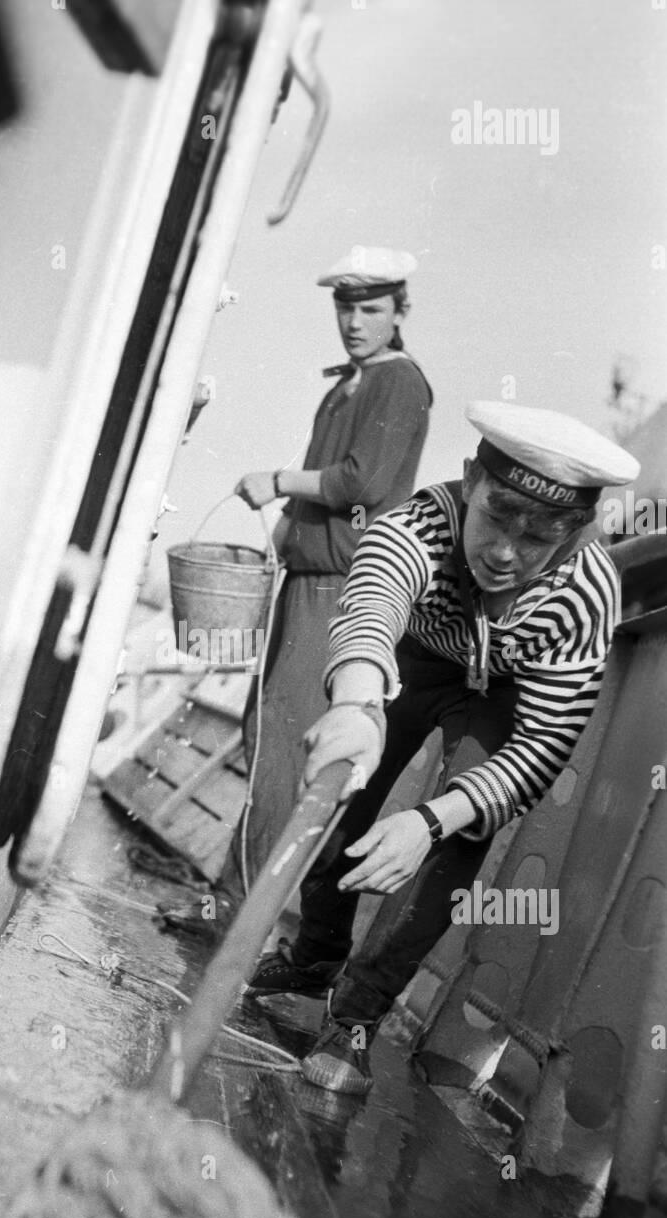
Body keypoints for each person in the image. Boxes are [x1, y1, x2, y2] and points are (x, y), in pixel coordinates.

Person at [245, 400, 640, 1095]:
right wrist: (357, 705)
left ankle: (359, 1014)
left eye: (538, 535)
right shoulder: (422, 522)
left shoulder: (588, 592)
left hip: (501, 693)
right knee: (351, 790)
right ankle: (313, 961)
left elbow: (544, 744)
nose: (505, 551)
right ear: (468, 482)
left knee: (453, 845)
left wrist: (430, 821)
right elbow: (373, 601)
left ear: (578, 532)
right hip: (418, 657)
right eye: (495, 515)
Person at [176, 248, 432, 925]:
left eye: (371, 308)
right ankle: (233, 900)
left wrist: (278, 482)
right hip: (304, 582)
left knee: (289, 750)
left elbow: (361, 483)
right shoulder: (349, 382)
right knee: (267, 737)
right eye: (345, 306)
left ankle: (239, 916)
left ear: (400, 312)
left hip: (342, 589)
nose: (354, 321)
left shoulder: (398, 383)